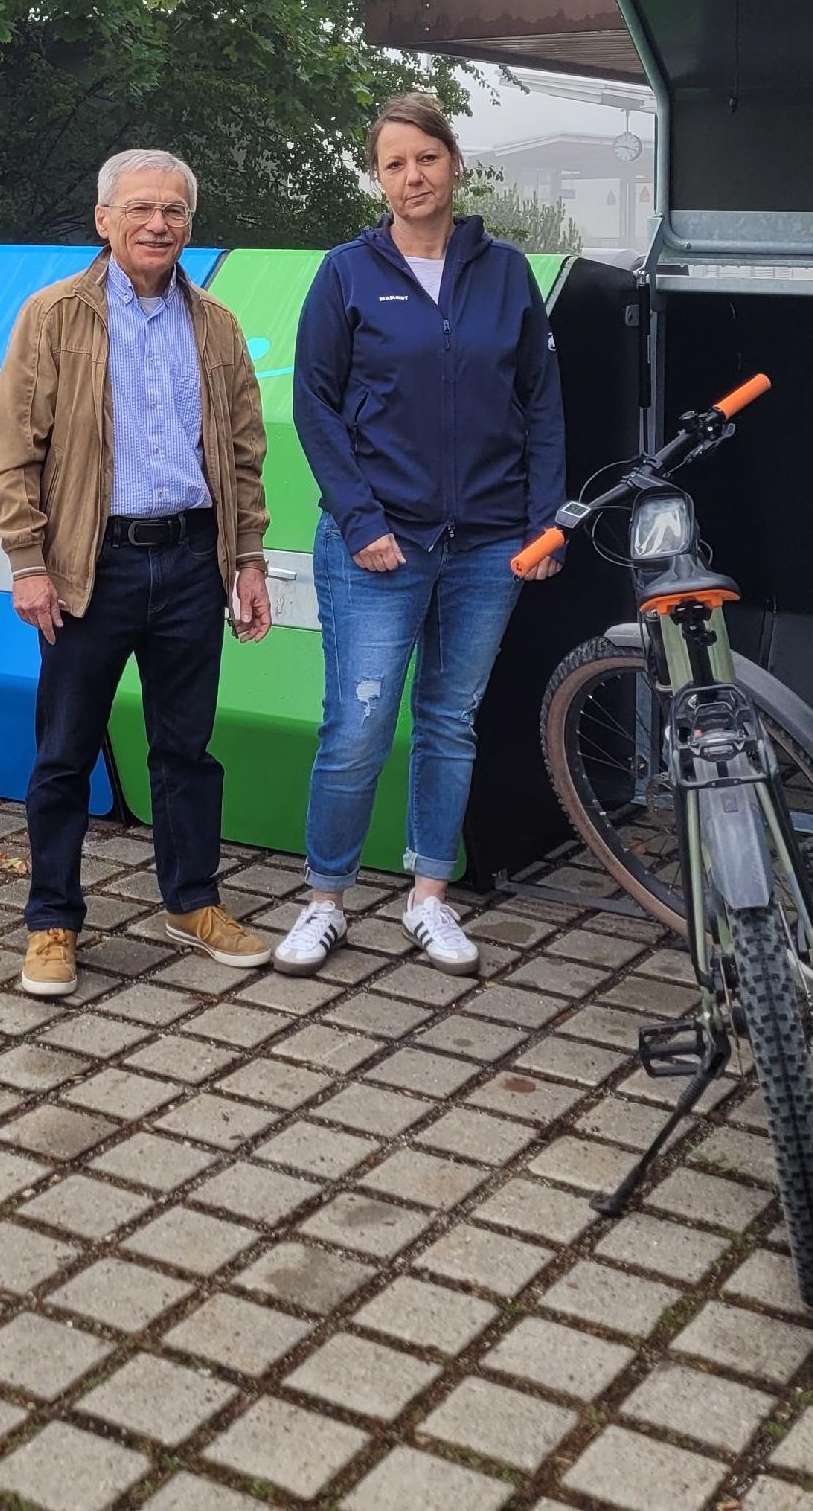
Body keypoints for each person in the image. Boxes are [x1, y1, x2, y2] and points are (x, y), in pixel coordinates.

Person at [274, 95, 565, 980]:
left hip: (488, 544)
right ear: (378, 178)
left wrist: (547, 520)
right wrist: (360, 521)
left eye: (427, 158)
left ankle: (428, 898)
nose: (413, 177)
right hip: (380, 545)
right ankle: (325, 900)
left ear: (455, 164)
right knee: (358, 725)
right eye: (395, 163)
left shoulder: (506, 273)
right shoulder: (347, 274)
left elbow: (542, 403)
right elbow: (314, 407)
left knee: (449, 721)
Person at [0, 148, 276, 999]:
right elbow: (14, 451)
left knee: (185, 749)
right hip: (89, 567)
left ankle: (192, 903)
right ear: (104, 220)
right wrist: (27, 563)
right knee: (64, 753)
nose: (160, 225)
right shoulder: (53, 316)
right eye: (142, 209)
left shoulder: (216, 327)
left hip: (193, 561)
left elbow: (244, 455)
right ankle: (50, 922)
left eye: (176, 212)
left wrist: (247, 558)